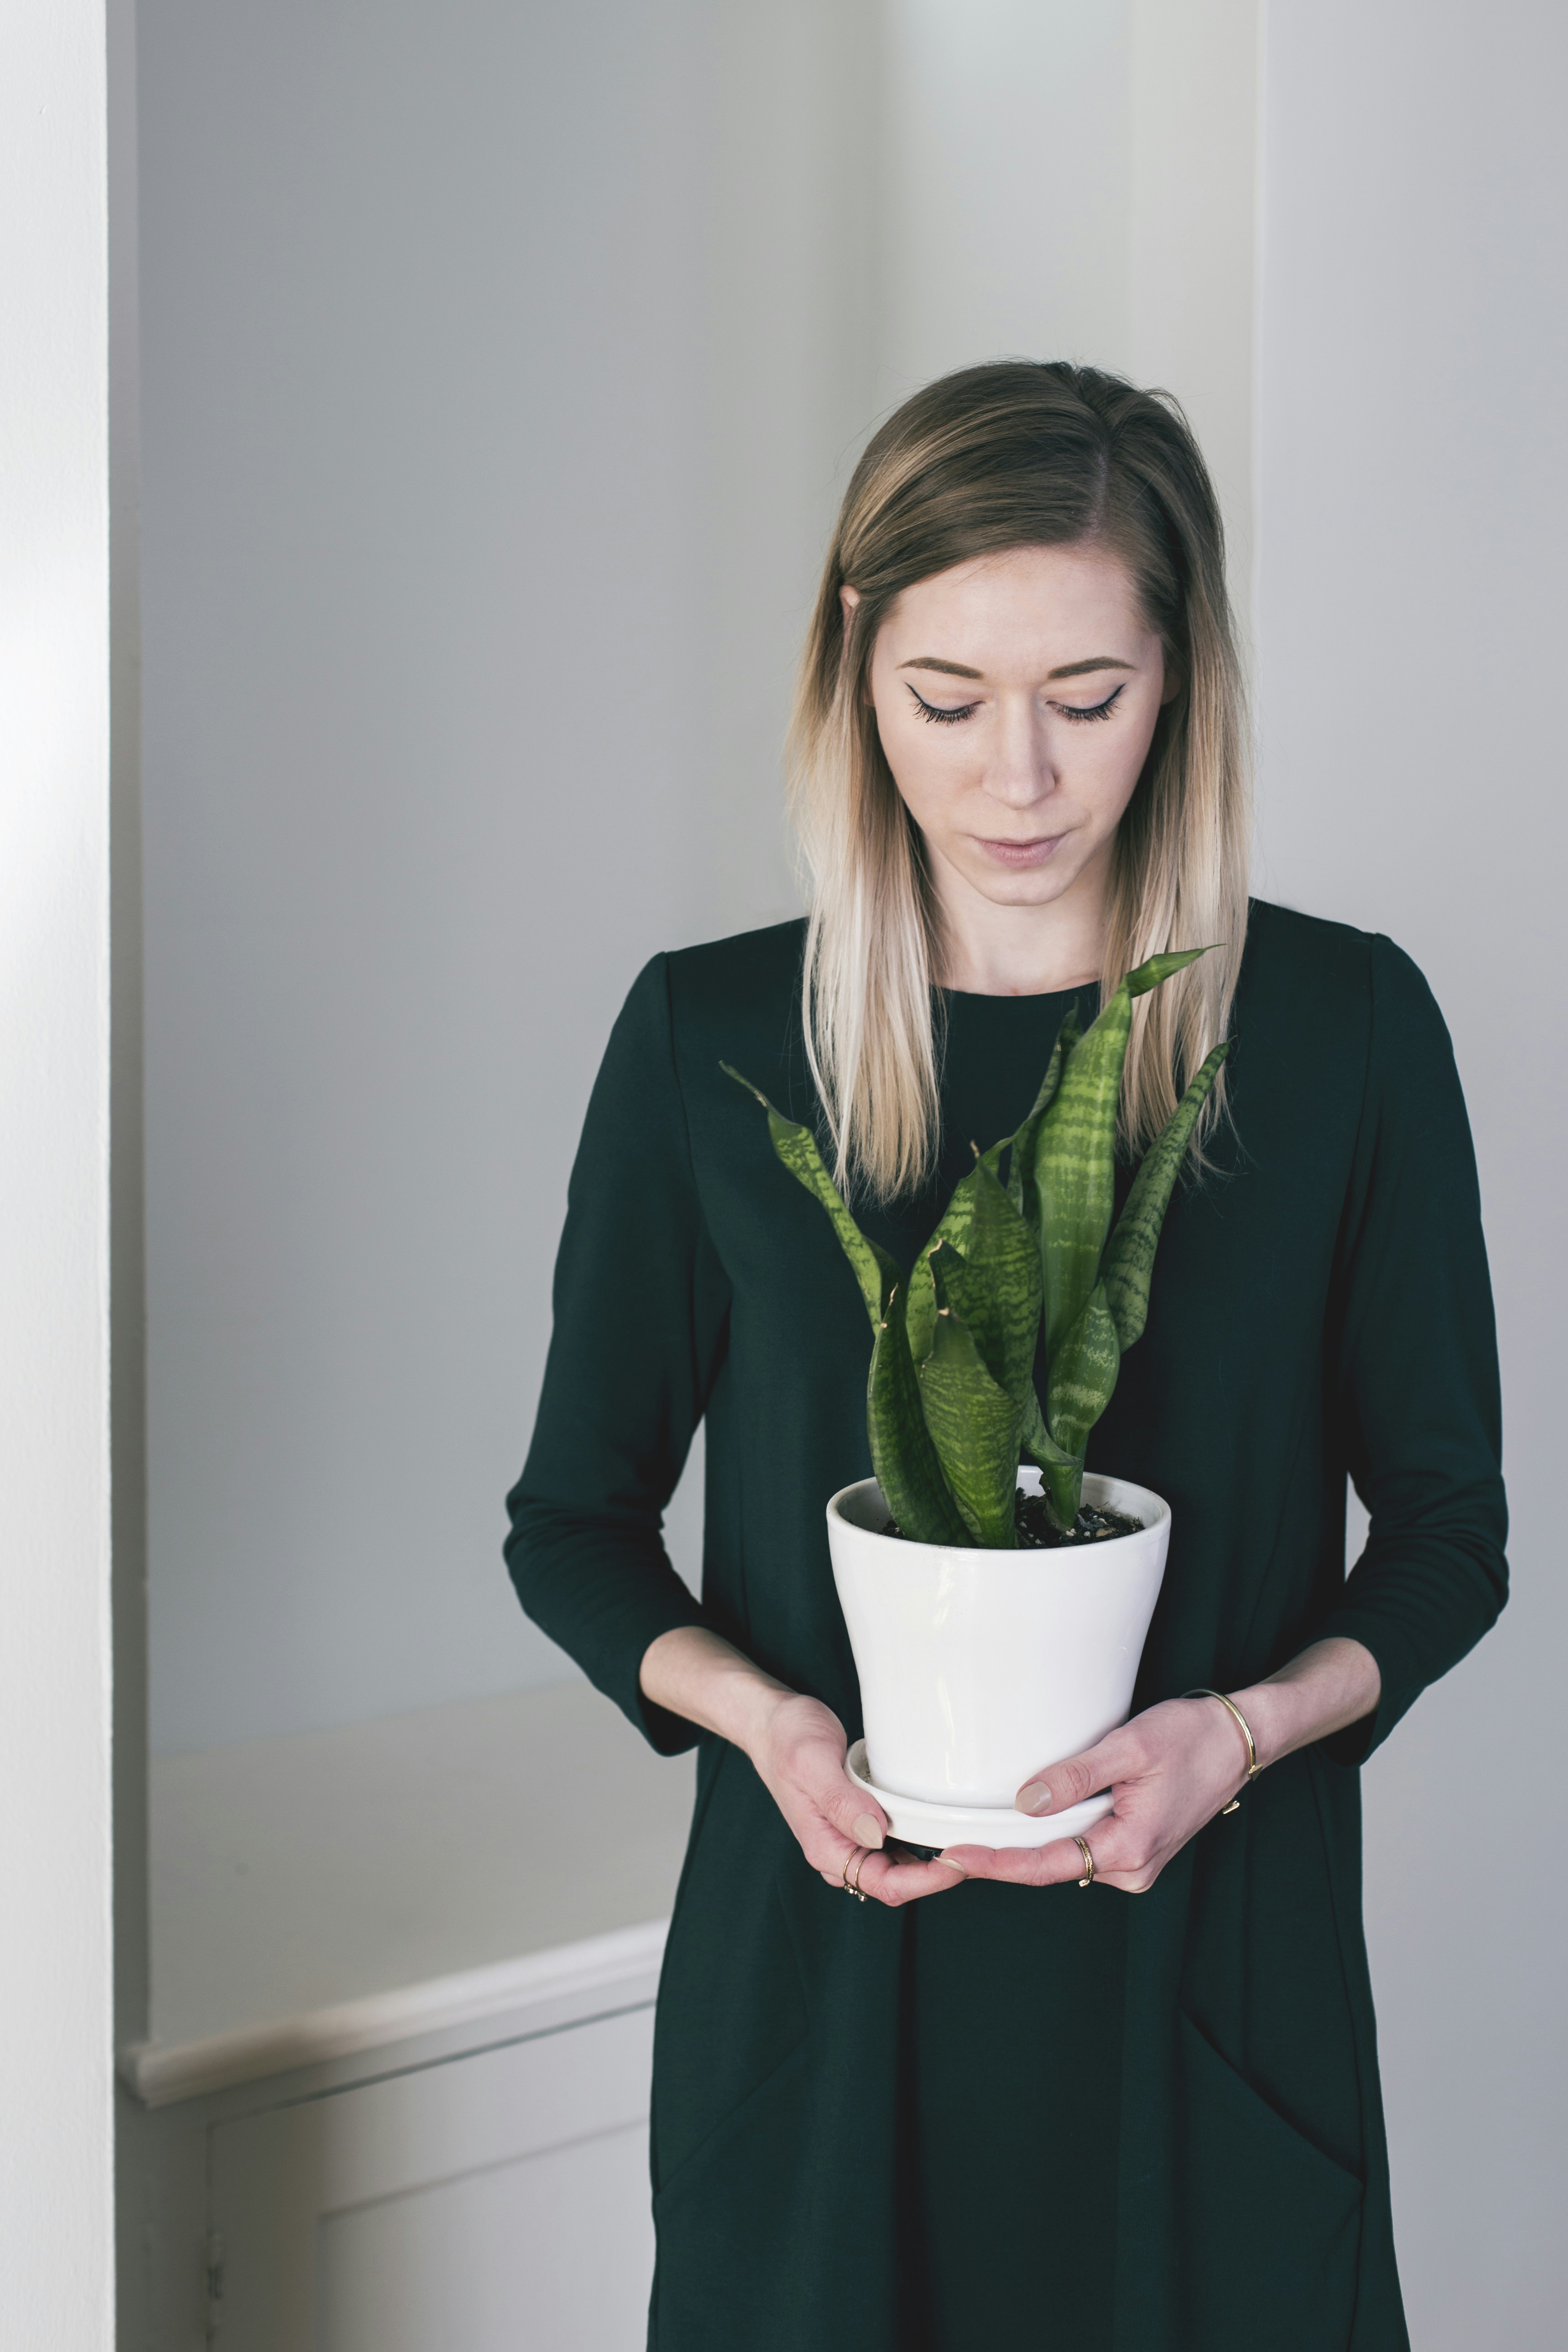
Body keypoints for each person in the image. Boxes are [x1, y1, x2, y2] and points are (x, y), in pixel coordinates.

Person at [505, 362, 1507, 2352]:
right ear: (852, 674)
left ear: (1181, 680)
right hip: (826, 2001)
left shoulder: (1338, 1032)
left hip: (1209, 1995)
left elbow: (1448, 1532)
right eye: (946, 700)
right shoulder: (709, 1042)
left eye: (1088, 697)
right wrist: (769, 1727)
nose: (1016, 778)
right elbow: (576, 1524)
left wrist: (1232, 1731)